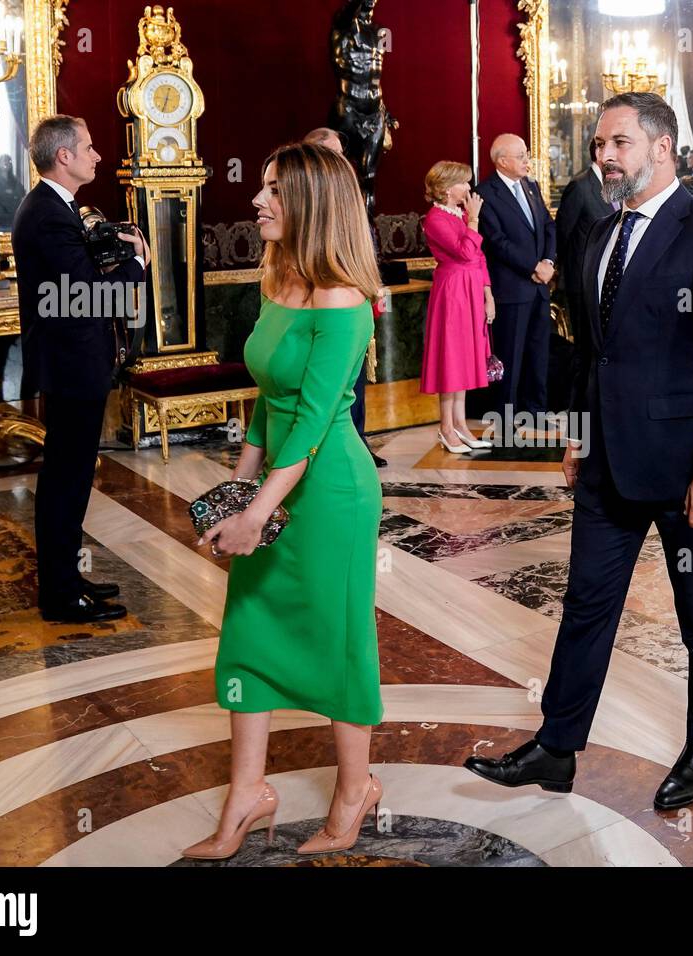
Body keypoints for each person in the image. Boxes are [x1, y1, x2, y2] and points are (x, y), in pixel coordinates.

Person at [463, 92, 693, 811]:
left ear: (662, 148)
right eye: (600, 144)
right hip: (604, 464)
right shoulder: (599, 233)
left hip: (686, 472)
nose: (603, 156)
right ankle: (557, 748)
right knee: (586, 606)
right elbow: (583, 353)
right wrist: (576, 433)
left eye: (619, 143)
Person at [184, 143, 384, 860]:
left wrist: (258, 510)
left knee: (337, 638)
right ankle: (248, 794)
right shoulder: (280, 283)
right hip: (274, 488)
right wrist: (237, 496)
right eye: (263, 185)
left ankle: (356, 789)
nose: (258, 200)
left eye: (275, 190)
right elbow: (270, 406)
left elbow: (311, 423)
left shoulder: (344, 301)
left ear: (313, 205)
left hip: (330, 494)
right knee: (250, 629)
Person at [12, 115, 150, 624]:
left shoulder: (53, 208)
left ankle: (67, 581)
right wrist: (139, 263)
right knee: (66, 479)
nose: (96, 156)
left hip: (75, 362)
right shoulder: (47, 213)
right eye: (88, 148)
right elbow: (84, 295)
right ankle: (60, 595)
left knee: (70, 478)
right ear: (63, 156)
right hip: (71, 366)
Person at [303, 125, 386, 468]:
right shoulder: (301, 204)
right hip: (320, 306)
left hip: (355, 300)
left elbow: (365, 243)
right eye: (333, 156)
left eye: (341, 156)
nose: (342, 163)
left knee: (354, 381)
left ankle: (358, 440)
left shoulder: (351, 197)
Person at [476, 133, 557, 432]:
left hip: (538, 285)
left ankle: (535, 411)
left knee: (538, 352)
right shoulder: (485, 192)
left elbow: (548, 225)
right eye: (521, 155)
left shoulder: (531, 186)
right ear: (502, 161)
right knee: (510, 355)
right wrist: (532, 266)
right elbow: (497, 242)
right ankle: (506, 417)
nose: (527, 160)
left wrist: (548, 263)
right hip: (511, 288)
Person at [420, 160, 496, 453]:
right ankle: (445, 428)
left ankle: (461, 424)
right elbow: (465, 252)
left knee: (464, 359)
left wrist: (487, 294)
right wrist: (474, 220)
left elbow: (479, 257)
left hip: (472, 288)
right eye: (463, 182)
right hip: (453, 292)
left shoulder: (461, 214)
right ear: (447, 188)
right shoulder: (436, 219)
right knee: (451, 359)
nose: (468, 187)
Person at [555, 138, 615, 408]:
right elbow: (563, 235)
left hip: (606, 282)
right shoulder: (580, 187)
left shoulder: (614, 186)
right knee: (583, 349)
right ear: (599, 153)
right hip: (580, 282)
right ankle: (578, 406)